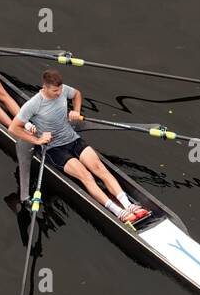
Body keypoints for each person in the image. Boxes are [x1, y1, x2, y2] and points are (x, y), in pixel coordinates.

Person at [9, 69, 149, 224]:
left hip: (73, 139)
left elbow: (76, 94)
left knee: (100, 168)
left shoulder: (62, 90)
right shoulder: (33, 104)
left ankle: (129, 205)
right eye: (55, 90)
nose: (59, 93)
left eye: (60, 89)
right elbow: (14, 128)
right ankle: (119, 212)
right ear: (45, 87)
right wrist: (38, 140)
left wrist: (76, 111)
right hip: (54, 149)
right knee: (86, 176)